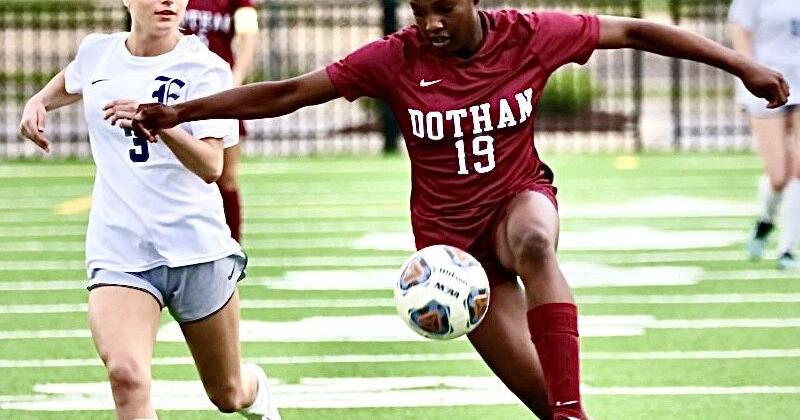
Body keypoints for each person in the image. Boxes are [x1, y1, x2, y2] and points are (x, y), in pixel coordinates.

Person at [126, 1, 789, 418]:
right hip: (452, 259)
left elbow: (637, 29)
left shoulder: (532, 35)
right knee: (550, 407)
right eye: (419, 11)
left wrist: (742, 68)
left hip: (517, 202)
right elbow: (292, 93)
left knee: (535, 242)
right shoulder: (395, 59)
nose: (430, 23)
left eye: (442, 8)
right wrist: (182, 112)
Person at [17, 0, 279, 419]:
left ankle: (258, 392)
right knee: (127, 376)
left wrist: (163, 123)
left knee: (228, 394)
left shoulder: (206, 69)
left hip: (197, 250)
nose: (168, 1)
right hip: (121, 252)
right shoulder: (98, 53)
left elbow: (212, 166)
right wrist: (39, 102)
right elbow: (73, 79)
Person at [729, 0, 800, 270]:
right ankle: (765, 221)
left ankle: (787, 250)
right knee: (779, 176)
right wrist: (750, 76)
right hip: (767, 82)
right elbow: (741, 34)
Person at [182, 0, 259, 243]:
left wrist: (234, 81)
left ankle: (231, 254)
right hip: (177, 91)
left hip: (220, 94)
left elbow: (248, 37)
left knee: (226, 177)